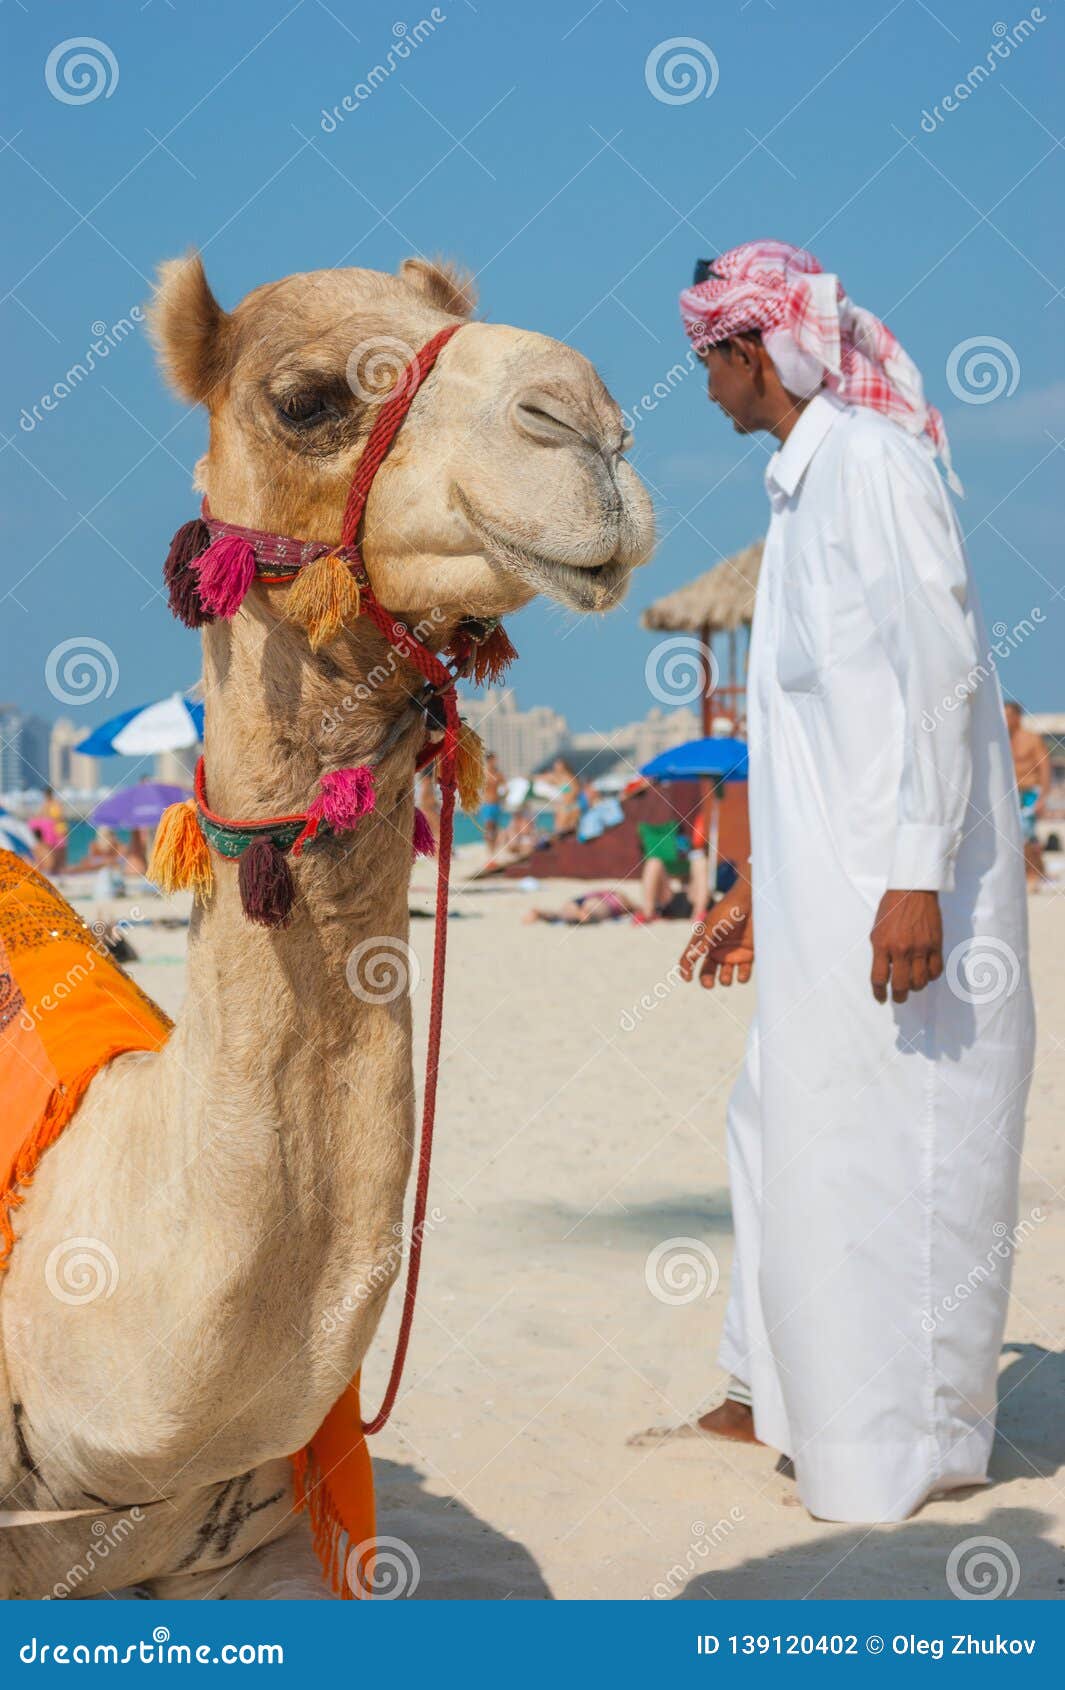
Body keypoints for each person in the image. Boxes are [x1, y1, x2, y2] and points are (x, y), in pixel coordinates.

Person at [666, 241, 1034, 1524]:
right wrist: (764, 887)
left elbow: (941, 671)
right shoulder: (799, 488)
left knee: (891, 1158)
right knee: (779, 1123)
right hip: (828, 899)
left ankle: (896, 1446)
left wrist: (918, 877)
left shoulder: (874, 467)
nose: (699, 381)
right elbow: (809, 728)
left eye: (705, 355)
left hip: (901, 900)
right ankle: (778, 1389)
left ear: (752, 352)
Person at [1004, 700, 1051, 886]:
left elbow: (1045, 768)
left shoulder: (1031, 739)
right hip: (1010, 794)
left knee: (1026, 832)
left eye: (1008, 716)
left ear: (1017, 717)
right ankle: (1035, 871)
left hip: (1030, 792)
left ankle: (1032, 874)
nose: (1004, 720)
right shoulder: (1001, 739)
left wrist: (1043, 797)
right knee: (1013, 834)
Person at [479, 752, 506, 855]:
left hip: (496, 804)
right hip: (487, 804)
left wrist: (503, 795)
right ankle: (489, 849)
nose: (495, 762)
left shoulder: (498, 774)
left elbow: (505, 788)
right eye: (493, 760)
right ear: (489, 761)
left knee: (495, 828)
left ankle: (493, 850)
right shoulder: (484, 774)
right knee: (488, 827)